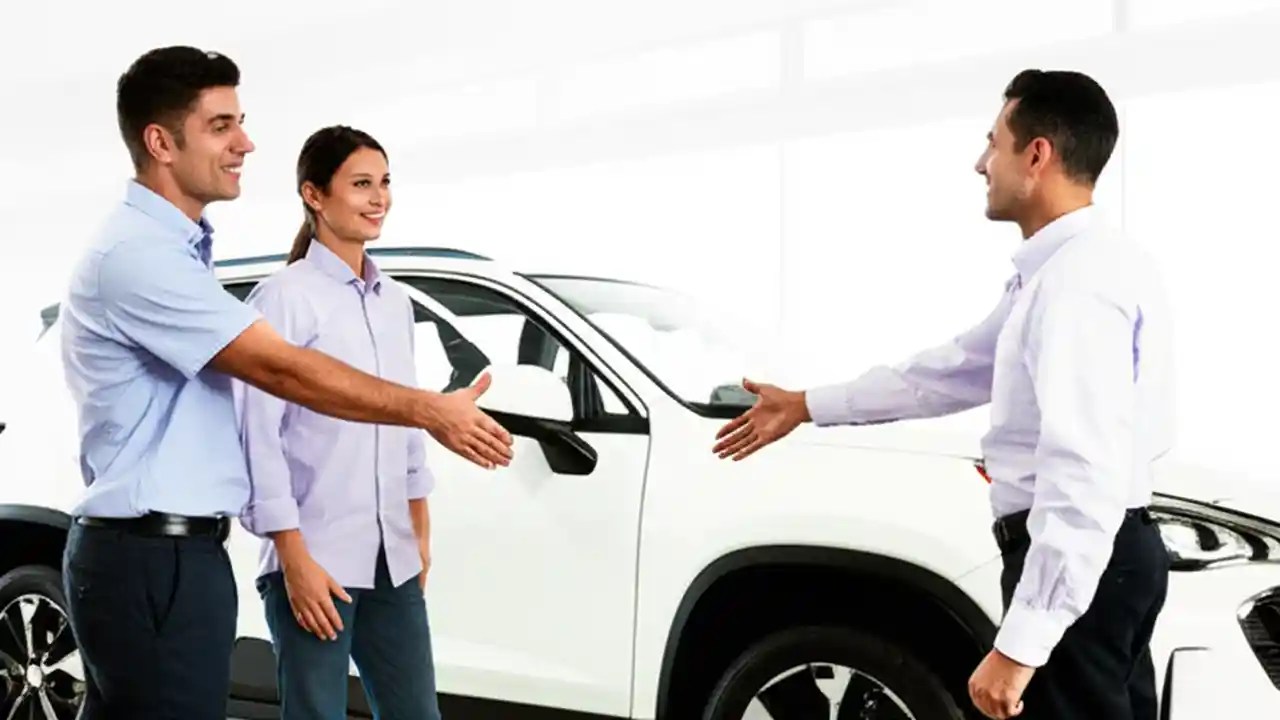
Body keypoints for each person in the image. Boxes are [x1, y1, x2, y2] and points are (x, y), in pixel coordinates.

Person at [59, 46, 511, 720]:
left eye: (240, 122)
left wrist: (417, 518)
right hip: (154, 557)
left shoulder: (183, 255)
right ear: (160, 142)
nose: (245, 143)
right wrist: (429, 411)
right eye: (220, 126)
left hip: (184, 553)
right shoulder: (143, 256)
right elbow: (275, 379)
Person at [711, 69, 1172, 720]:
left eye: (994, 143)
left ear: (1036, 155)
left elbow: (1083, 476)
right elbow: (950, 372)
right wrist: (807, 404)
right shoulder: (1068, 273)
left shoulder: (1077, 287)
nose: (981, 163)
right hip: (1102, 565)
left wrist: (1021, 645)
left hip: (1081, 566)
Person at [232, 125, 441, 719]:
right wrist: (292, 560)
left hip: (392, 559)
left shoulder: (394, 302)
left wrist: (419, 534)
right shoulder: (283, 298)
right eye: (360, 184)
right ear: (314, 196)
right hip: (316, 559)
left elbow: (405, 420)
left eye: (384, 183)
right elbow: (259, 440)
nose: (379, 198)